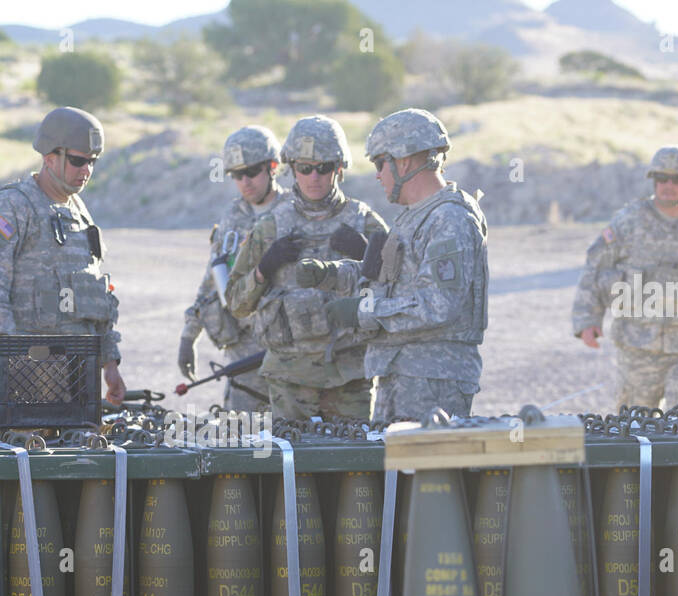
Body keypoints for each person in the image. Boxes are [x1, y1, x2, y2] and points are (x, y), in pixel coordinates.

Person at [298, 108, 489, 421]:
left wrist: (363, 314)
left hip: (431, 380)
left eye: (379, 163)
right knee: (391, 469)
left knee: (418, 469)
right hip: (404, 371)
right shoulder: (415, 217)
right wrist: (332, 274)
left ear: (404, 161)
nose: (377, 174)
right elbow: (392, 279)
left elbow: (439, 305)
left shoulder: (449, 218)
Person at [225, 115, 387, 421]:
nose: (314, 177)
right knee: (292, 466)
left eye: (324, 167)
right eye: (305, 168)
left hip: (349, 374)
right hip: (290, 377)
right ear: (291, 169)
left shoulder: (363, 221)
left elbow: (404, 289)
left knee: (356, 466)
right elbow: (236, 303)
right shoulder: (270, 227)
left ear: (339, 168)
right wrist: (263, 268)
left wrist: (368, 255)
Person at [0, 106, 125, 405]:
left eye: (92, 162)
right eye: (78, 161)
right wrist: (11, 364)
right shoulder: (12, 207)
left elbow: (95, 297)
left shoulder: (79, 213)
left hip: (78, 380)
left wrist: (109, 363)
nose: (86, 170)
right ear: (50, 157)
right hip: (26, 383)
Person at [572, 144, 678, 410]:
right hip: (637, 344)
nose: (668, 185)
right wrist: (587, 319)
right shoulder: (629, 222)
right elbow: (596, 266)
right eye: (661, 178)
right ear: (652, 180)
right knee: (635, 428)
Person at [177, 125, 286, 412]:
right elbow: (212, 278)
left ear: (272, 167)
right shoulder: (232, 217)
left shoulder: (294, 213)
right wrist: (189, 335)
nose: (245, 182)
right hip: (243, 352)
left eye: (251, 172)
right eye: (237, 175)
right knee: (242, 441)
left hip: (288, 349)